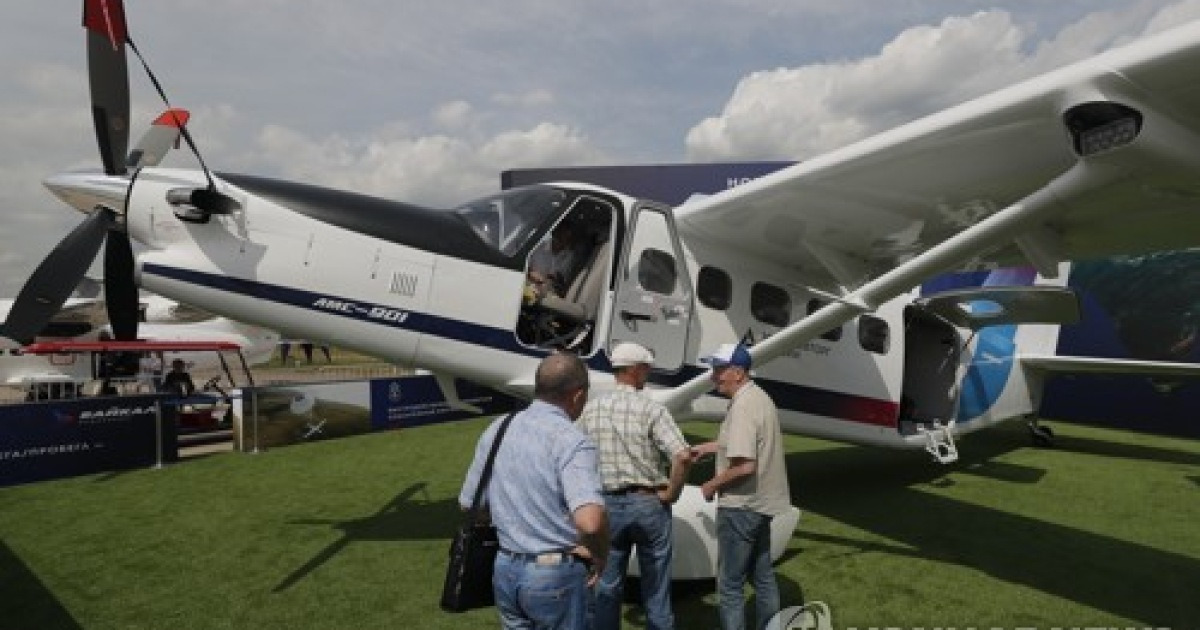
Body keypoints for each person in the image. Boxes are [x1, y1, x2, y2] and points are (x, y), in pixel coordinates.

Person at [458, 352, 609, 629]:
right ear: (577, 395)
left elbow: (470, 504)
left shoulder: (498, 428)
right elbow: (589, 522)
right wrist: (600, 554)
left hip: (505, 569)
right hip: (554, 576)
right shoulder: (571, 441)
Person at [576, 342, 693, 630]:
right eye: (646, 369)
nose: (648, 374)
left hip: (606, 505)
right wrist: (671, 493)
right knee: (656, 590)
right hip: (648, 502)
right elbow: (683, 456)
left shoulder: (591, 410)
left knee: (605, 585)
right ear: (636, 370)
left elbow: (575, 456)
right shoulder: (652, 409)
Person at [692, 343, 792, 630]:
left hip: (741, 506)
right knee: (763, 577)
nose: (713, 377)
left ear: (737, 372)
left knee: (730, 585)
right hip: (761, 504)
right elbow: (743, 446)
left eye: (718, 370)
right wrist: (708, 448)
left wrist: (711, 485)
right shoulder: (758, 397)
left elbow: (745, 465)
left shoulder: (743, 406)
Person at [527, 222, 582, 300]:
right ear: (554, 234)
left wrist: (551, 279)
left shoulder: (570, 255)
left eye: (568, 238)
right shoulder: (538, 246)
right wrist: (530, 273)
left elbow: (562, 278)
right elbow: (523, 265)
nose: (564, 241)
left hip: (550, 295)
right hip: (528, 287)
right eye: (562, 236)